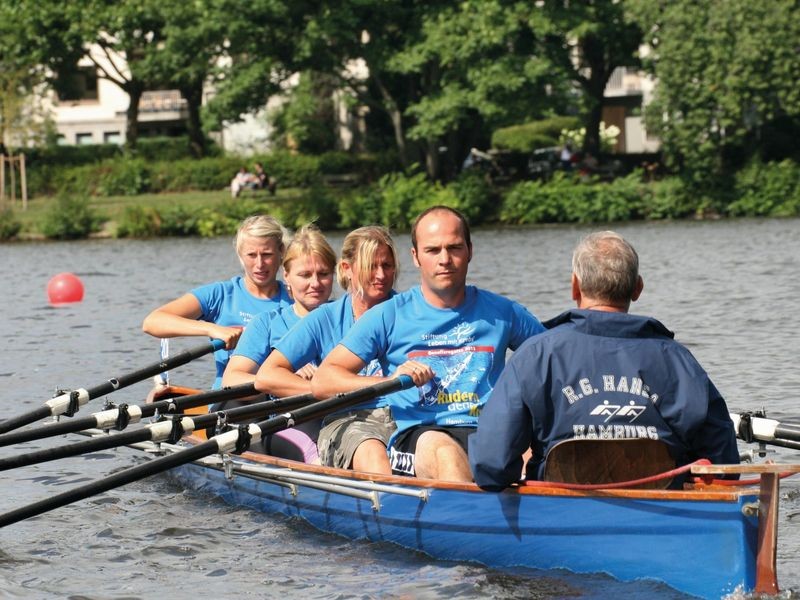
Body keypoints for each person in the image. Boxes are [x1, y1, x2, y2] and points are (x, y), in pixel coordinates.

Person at [469, 231, 740, 491]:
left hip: (559, 511)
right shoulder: (678, 359)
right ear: (638, 288)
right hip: (663, 511)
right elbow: (724, 464)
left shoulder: (535, 355)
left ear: (575, 285)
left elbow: (491, 465)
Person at [311, 206, 546, 481]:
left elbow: (553, 359)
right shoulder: (389, 315)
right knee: (444, 452)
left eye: (454, 248)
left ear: (470, 251)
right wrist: (391, 379)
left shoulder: (503, 312)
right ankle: (467, 516)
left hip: (489, 431)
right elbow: (324, 380)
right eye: (433, 250)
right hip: (421, 436)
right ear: (416, 257)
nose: (444, 259)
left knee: (542, 444)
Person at [254, 225, 399, 466]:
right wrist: (326, 388)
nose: (381, 276)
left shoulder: (409, 310)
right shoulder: (325, 317)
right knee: (372, 452)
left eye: (387, 266)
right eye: (371, 266)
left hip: (401, 417)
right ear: (346, 269)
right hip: (349, 421)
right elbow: (266, 377)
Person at [220, 223, 337, 462]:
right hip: (283, 420)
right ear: (287, 278)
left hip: (336, 415)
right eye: (305, 275)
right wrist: (285, 377)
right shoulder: (268, 323)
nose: (315, 283)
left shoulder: (348, 319)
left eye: (323, 274)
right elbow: (232, 379)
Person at [142, 214, 292, 389]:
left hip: (284, 394)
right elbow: (152, 322)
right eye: (251, 255)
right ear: (240, 255)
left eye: (267, 254)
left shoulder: (296, 298)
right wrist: (214, 329)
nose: (259, 264)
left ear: (281, 252)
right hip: (232, 397)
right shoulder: (220, 295)